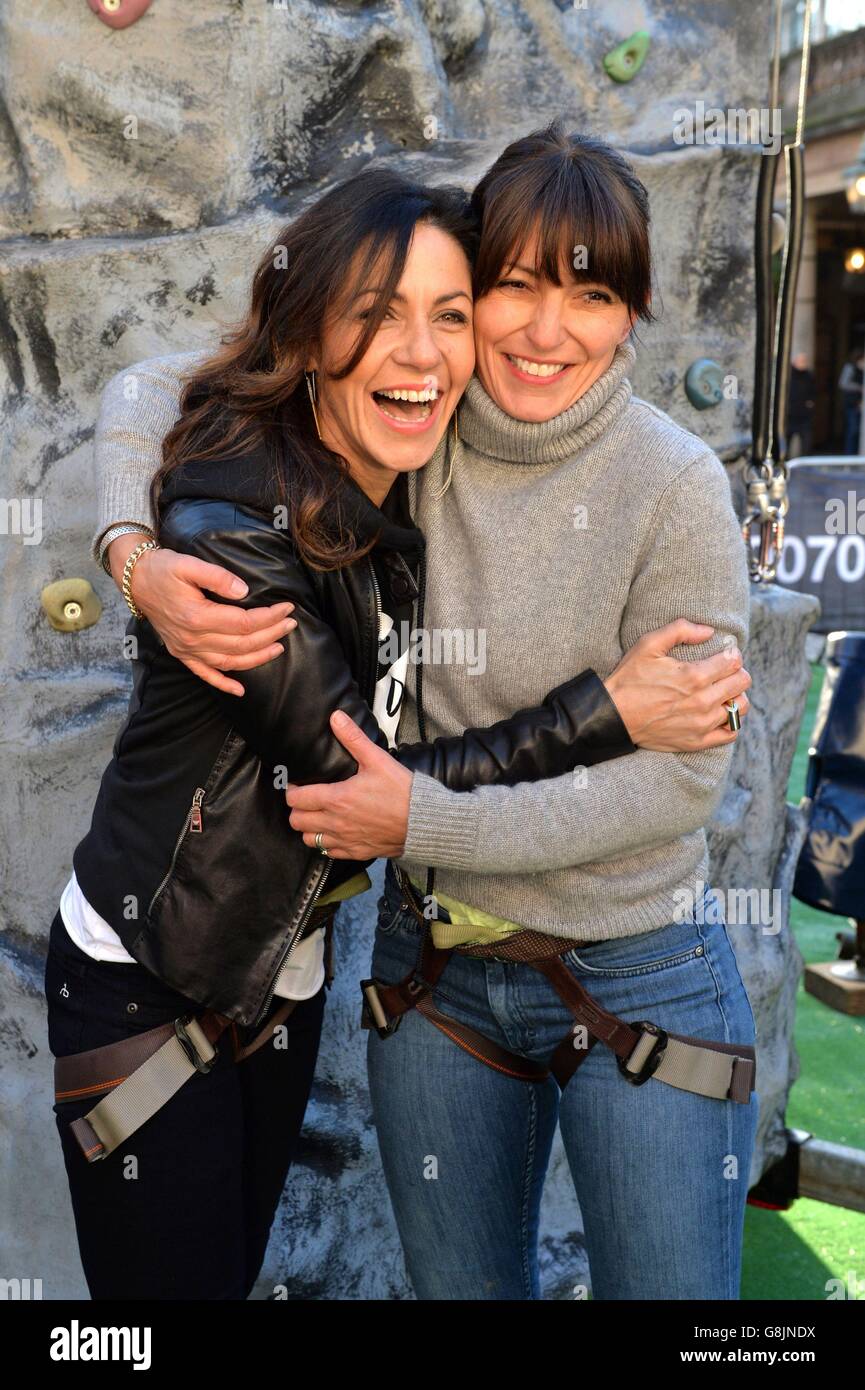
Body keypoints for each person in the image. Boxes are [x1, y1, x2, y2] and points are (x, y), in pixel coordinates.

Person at [90, 123, 756, 1301]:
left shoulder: (675, 487)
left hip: (638, 964)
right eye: (511, 289)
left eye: (592, 295)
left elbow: (680, 780)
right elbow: (162, 381)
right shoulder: (414, 423)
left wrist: (420, 820)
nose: (547, 333)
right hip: (430, 973)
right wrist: (130, 554)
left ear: (632, 314)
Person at [788, 351, 816, 457]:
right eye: (800, 361)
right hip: (790, 415)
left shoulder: (809, 375)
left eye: (804, 361)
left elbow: (813, 392)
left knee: (806, 442)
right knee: (785, 442)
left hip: (804, 416)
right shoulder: (788, 374)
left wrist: (810, 404)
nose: (802, 363)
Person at [839, 348, 864, 455]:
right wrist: (859, 387)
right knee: (852, 430)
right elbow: (843, 384)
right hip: (852, 403)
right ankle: (849, 455)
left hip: (860, 404)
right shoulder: (850, 367)